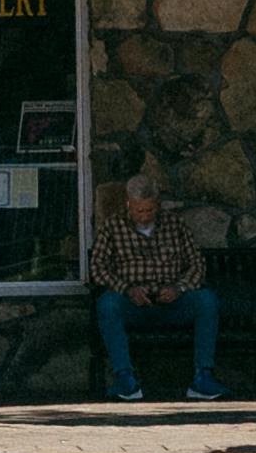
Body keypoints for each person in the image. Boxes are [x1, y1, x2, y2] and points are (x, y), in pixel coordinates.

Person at [92, 172, 218, 402]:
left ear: (157, 205)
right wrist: (127, 289)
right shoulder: (112, 227)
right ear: (128, 204)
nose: (145, 216)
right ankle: (124, 378)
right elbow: (98, 268)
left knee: (206, 300)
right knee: (107, 305)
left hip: (172, 303)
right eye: (139, 210)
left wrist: (179, 288)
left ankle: (203, 376)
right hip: (133, 305)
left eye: (149, 210)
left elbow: (197, 264)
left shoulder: (175, 224)